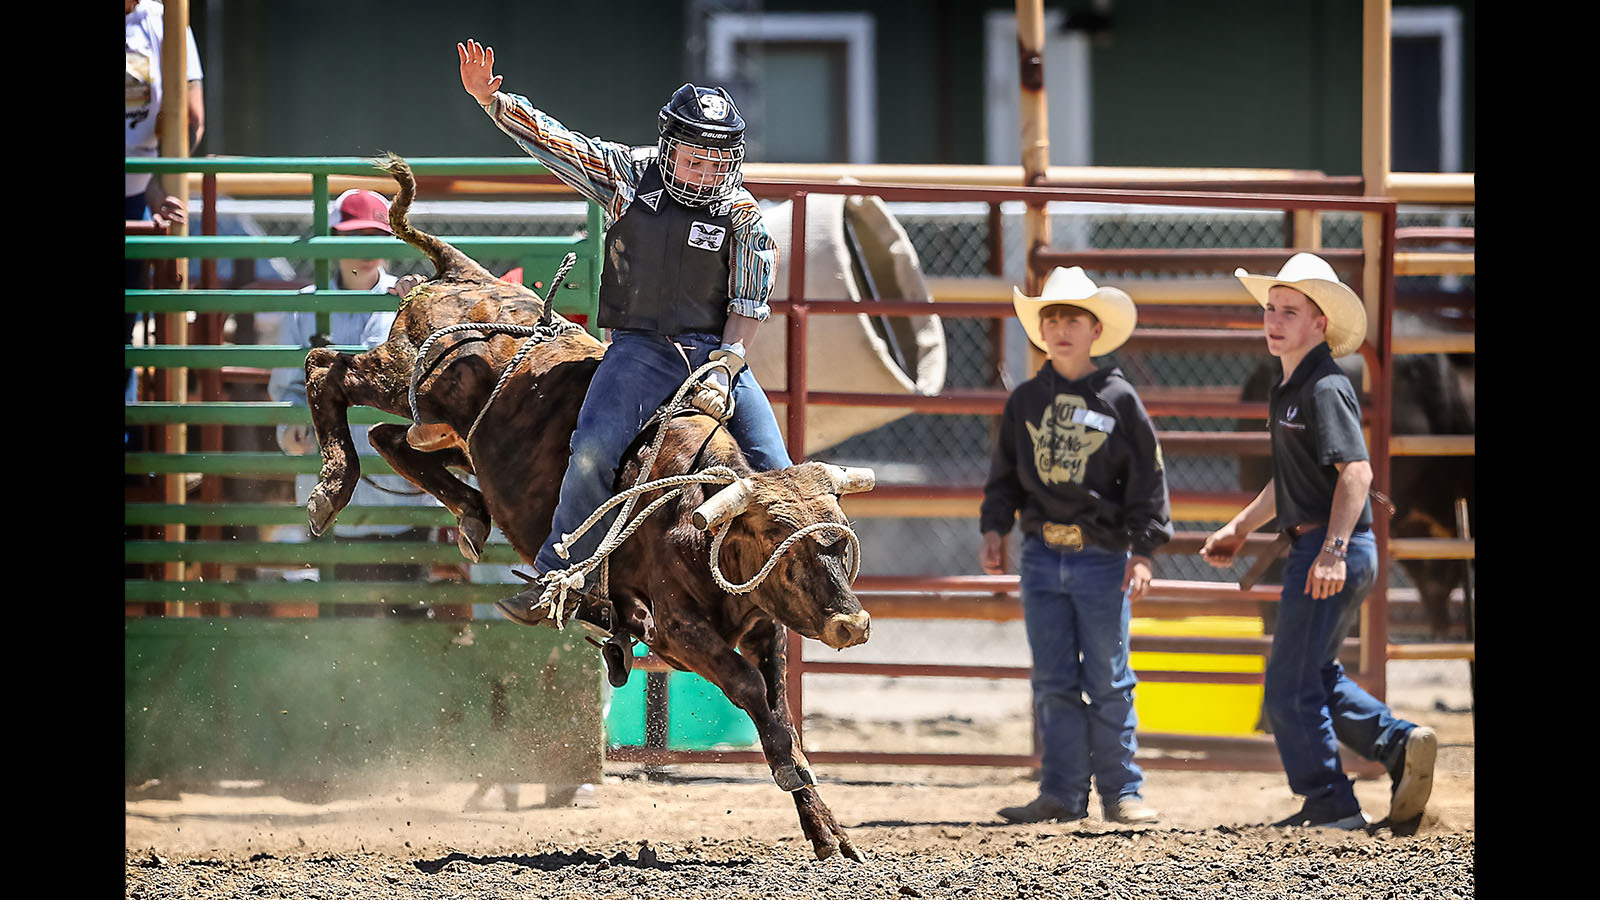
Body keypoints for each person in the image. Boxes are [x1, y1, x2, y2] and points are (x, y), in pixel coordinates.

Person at [441, 39, 794, 687]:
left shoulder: (744, 215)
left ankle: (791, 587)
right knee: (592, 450)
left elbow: (748, 300)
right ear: (670, 146)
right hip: (640, 349)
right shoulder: (629, 176)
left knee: (777, 470)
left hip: (715, 353)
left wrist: (727, 363)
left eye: (719, 157)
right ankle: (561, 573)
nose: (707, 167)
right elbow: (561, 143)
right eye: (695, 154)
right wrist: (494, 101)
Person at [1200, 252, 1437, 829]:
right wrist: (1240, 527)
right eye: (1271, 309)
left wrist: (1330, 550)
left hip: (1331, 551)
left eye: (1290, 311)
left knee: (1287, 686)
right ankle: (1400, 744)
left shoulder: (1323, 386)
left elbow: (1356, 473)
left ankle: (1330, 802)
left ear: (1319, 324)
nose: (1274, 320)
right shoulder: (1293, 386)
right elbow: (1292, 480)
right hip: (1331, 549)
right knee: (1317, 676)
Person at [979, 267, 1171, 826]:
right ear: (1041, 331)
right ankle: (1061, 793)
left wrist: (1143, 549)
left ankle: (1122, 791)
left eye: (1073, 319)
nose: (1061, 328)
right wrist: (996, 525)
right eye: (1052, 318)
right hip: (1042, 553)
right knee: (1054, 679)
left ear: (1094, 330)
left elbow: (1146, 479)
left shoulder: (1119, 400)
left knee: (1109, 679)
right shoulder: (1025, 401)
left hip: (1102, 555)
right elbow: (1006, 474)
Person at [265, 189, 444, 615]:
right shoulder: (304, 306)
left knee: (409, 612)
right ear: (333, 240)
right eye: (353, 238)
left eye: (375, 239)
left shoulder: (408, 303)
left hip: (399, 490)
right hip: (336, 495)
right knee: (342, 614)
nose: (365, 252)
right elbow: (286, 389)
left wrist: (422, 303)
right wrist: (291, 429)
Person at [126, 0, 204, 405]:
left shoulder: (162, 19)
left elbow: (192, 117)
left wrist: (156, 185)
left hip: (138, 200)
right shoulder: (162, 19)